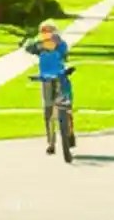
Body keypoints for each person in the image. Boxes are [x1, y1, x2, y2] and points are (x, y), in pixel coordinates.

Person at [22, 20, 75, 154]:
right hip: (45, 79)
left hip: (60, 77)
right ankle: (51, 142)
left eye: (50, 31)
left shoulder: (60, 44)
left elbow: (63, 52)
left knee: (66, 107)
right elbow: (29, 48)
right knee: (48, 112)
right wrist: (33, 42)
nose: (47, 34)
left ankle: (69, 132)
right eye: (44, 31)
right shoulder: (39, 46)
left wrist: (53, 44)